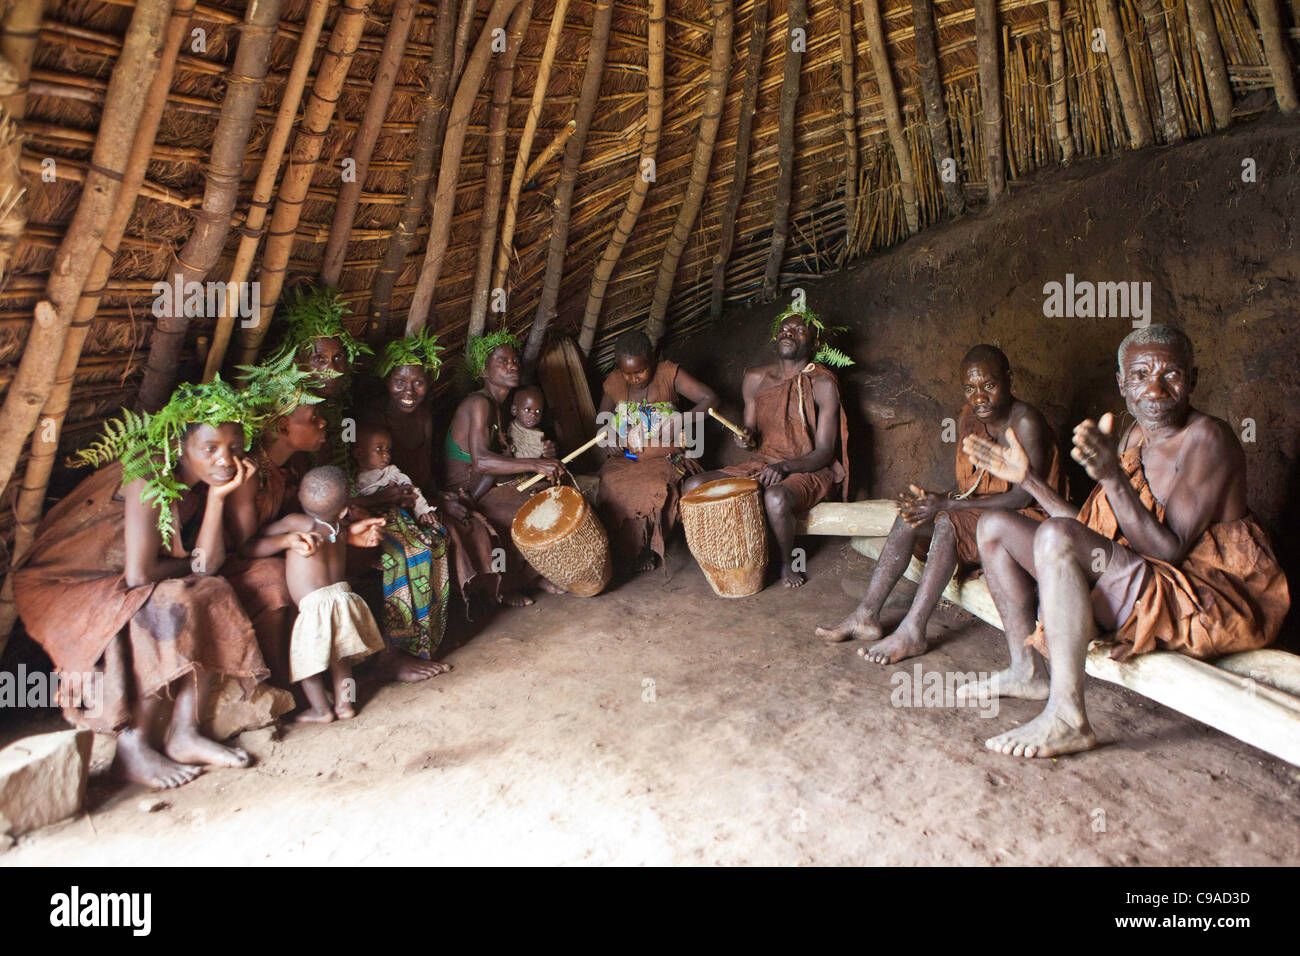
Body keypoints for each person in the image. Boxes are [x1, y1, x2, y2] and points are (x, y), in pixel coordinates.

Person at [962, 325, 1289, 758]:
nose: (1154, 389)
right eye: (1139, 375)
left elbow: (1167, 551)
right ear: (1121, 383)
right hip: (1138, 578)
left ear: (1193, 379)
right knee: (995, 527)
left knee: (1055, 535)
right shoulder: (1134, 434)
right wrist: (1028, 480)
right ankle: (1027, 672)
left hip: (1197, 597)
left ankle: (1067, 717)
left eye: (1170, 374)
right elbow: (1093, 531)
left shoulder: (1208, 439)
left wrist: (1113, 476)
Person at [13, 380, 270, 789]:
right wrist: (188, 566)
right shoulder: (148, 470)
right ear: (180, 445)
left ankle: (185, 733)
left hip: (119, 579)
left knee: (213, 589)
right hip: (62, 586)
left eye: (235, 449)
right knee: (169, 599)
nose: (225, 459)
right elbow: (139, 577)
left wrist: (220, 499)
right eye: (211, 449)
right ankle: (133, 745)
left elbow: (206, 568)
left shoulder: (201, 485)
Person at [817, 345, 1063, 663]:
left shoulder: (1027, 422)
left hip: (1026, 520)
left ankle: (913, 632)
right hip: (982, 512)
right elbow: (971, 487)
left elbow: (1023, 497)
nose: (979, 398)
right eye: (969, 388)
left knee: (949, 521)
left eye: (989, 386)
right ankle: (866, 613)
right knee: (913, 514)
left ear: (1009, 379)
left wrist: (948, 506)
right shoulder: (970, 417)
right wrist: (935, 500)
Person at [685, 306, 851, 588]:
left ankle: (786, 563)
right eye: (785, 329)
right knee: (694, 486)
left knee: (775, 498)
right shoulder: (755, 379)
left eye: (799, 330)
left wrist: (784, 467)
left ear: (814, 343)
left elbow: (824, 451)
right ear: (776, 337)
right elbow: (751, 437)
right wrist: (745, 438)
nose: (789, 333)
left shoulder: (822, 383)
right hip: (762, 463)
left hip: (808, 467)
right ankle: (730, 558)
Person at [352, 331, 461, 676]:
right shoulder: (368, 421)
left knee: (437, 538)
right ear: (386, 380)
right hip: (368, 512)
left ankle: (427, 638)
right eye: (400, 382)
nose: (409, 391)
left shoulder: (425, 414)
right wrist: (385, 500)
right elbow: (349, 489)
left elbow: (422, 471)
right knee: (405, 553)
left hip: (405, 502)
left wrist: (429, 502)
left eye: (418, 382)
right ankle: (394, 649)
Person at [255, 467, 385, 723]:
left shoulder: (297, 523)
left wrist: (285, 539)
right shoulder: (339, 528)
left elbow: (259, 539)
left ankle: (320, 710)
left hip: (314, 608)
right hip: (342, 599)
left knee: (307, 665)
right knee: (341, 658)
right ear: (344, 509)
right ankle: (345, 705)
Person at [445, 331, 565, 606]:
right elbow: (482, 462)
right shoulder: (479, 403)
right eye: (502, 361)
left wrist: (543, 456)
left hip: (485, 484)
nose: (513, 365)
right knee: (525, 509)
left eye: (515, 360)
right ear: (482, 370)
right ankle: (506, 586)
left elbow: (500, 460)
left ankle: (536, 575)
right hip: (466, 487)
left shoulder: (498, 407)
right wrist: (536, 463)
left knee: (546, 494)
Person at [595, 329, 717, 572]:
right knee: (610, 481)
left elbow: (711, 399)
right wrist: (609, 435)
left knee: (653, 484)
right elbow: (602, 420)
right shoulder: (615, 383)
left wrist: (683, 419)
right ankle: (628, 548)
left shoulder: (669, 374)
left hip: (667, 456)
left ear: (652, 360)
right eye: (627, 373)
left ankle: (650, 545)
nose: (634, 379)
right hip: (628, 457)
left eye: (640, 370)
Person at [352, 421, 452, 673]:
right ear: (359, 453)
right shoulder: (351, 482)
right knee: (401, 556)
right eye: (378, 449)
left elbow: (414, 493)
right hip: (376, 528)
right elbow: (349, 506)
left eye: (387, 449)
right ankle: (400, 644)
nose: (385, 455)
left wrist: (423, 511)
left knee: (433, 543)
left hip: (402, 521)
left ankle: (426, 638)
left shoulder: (394, 473)